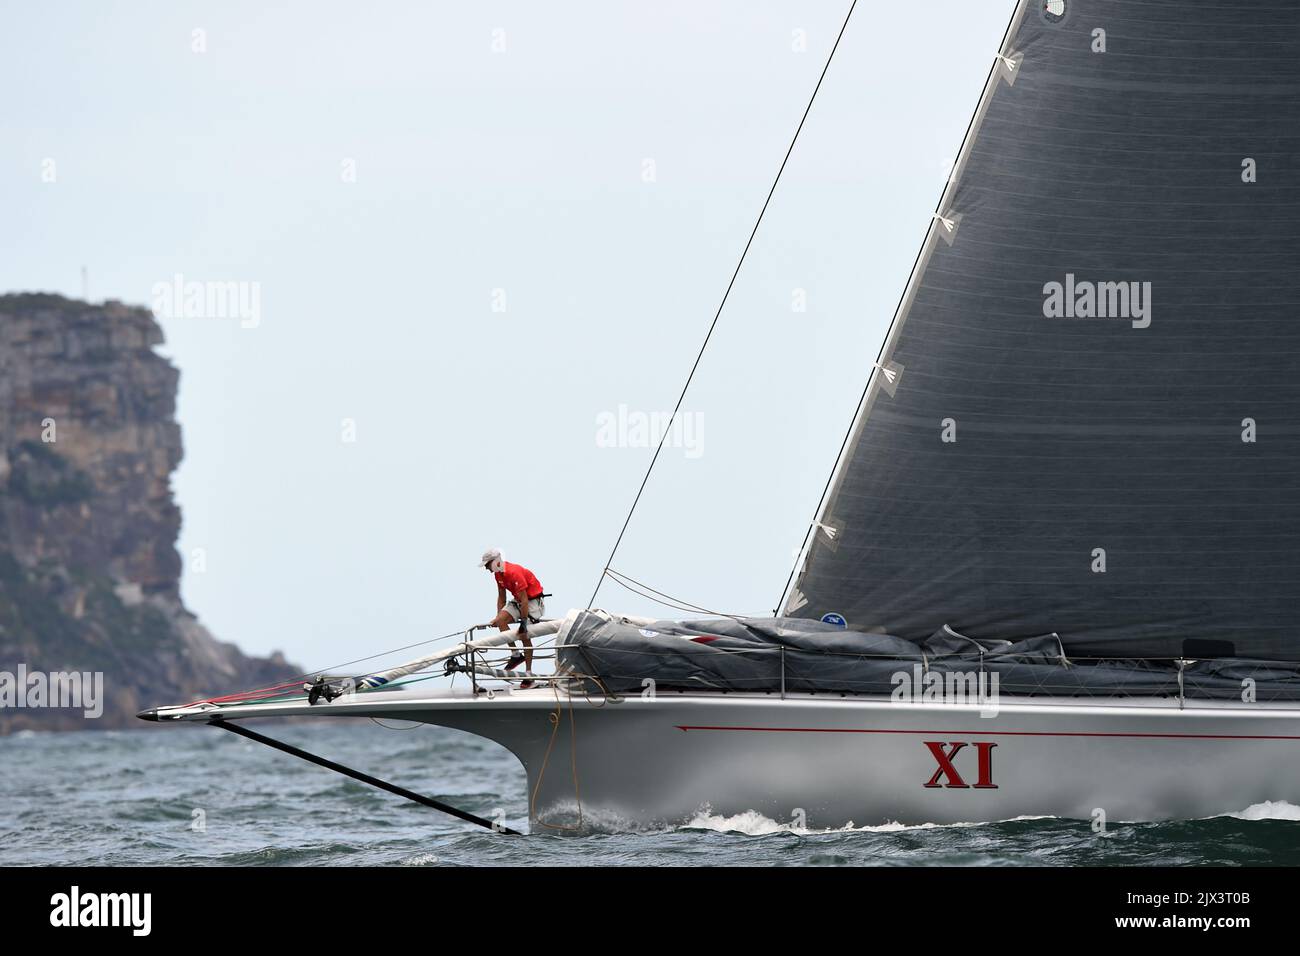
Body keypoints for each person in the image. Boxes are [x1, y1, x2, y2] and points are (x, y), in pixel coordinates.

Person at [481, 548, 546, 689]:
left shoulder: (514, 572)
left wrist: (523, 622)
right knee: (500, 622)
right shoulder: (498, 575)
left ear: (495, 562)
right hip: (519, 601)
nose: (486, 568)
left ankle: (529, 674)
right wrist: (498, 617)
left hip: (533, 602)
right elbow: (502, 597)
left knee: (523, 633)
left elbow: (524, 599)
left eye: (487, 565)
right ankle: (516, 655)